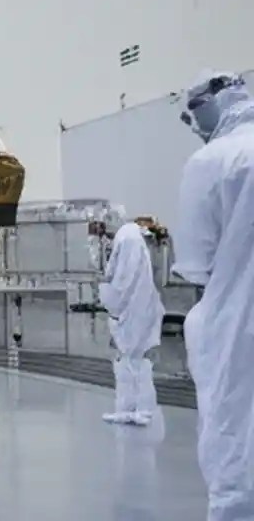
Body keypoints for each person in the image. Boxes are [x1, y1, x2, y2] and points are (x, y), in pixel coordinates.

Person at [173, 70, 254, 521]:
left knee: (233, 430)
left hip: (237, 320)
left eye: (192, 114)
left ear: (207, 105)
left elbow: (196, 261)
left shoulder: (212, 161)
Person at [99, 217, 165, 426]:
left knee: (129, 359)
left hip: (131, 309)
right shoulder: (134, 237)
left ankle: (134, 409)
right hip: (140, 308)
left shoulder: (127, 236)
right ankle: (135, 408)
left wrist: (110, 301)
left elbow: (122, 278)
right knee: (134, 360)